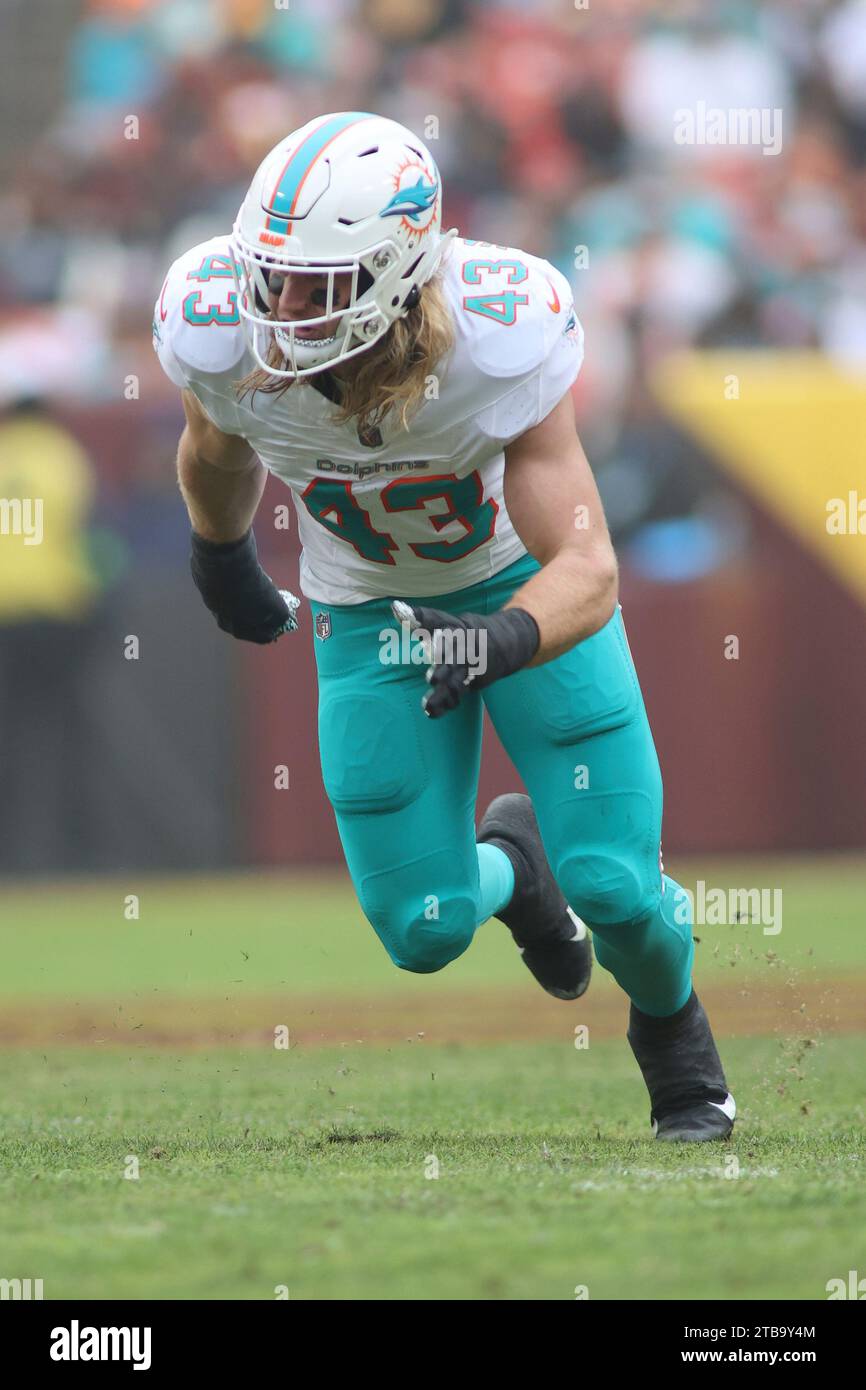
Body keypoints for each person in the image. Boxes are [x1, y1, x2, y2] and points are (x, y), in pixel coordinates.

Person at [153, 111, 734, 1141]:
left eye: (314, 285)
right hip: (368, 612)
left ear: (393, 271)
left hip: (519, 597)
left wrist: (499, 638)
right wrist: (220, 554)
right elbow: (217, 442)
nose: (279, 306)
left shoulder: (495, 334)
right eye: (269, 275)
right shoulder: (215, 319)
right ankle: (514, 870)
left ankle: (674, 1040)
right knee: (420, 931)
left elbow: (586, 567)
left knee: (616, 891)